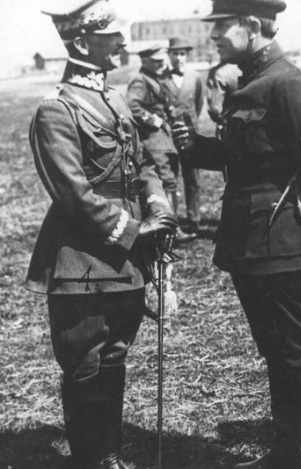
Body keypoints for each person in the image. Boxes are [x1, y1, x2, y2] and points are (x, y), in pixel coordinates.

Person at [171, 0, 301, 467]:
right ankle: (287, 449)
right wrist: (196, 148)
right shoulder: (249, 82)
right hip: (250, 240)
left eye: (222, 26)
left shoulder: (288, 83)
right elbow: (249, 159)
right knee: (274, 348)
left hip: (287, 240)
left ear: (251, 25)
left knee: (296, 349)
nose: (214, 36)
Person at [26, 0, 177, 467]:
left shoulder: (115, 100)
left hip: (126, 257)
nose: (121, 42)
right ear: (80, 42)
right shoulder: (56, 110)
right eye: (111, 35)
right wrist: (135, 230)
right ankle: (93, 461)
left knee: (115, 356)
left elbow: (141, 166)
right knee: (86, 363)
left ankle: (109, 457)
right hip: (82, 261)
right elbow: (73, 193)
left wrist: (158, 206)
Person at [127, 46, 195, 243]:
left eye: (161, 61)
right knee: (165, 182)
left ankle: (171, 227)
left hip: (163, 139)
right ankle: (169, 230)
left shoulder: (155, 78)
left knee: (170, 182)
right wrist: (152, 120)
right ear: (144, 61)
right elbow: (132, 105)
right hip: (153, 140)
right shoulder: (141, 80)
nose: (160, 64)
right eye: (155, 61)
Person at [162, 37, 205, 234]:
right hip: (169, 134)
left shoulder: (195, 76)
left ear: (186, 55)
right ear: (169, 55)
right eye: (175, 54)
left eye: (182, 54)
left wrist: (190, 122)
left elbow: (198, 103)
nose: (179, 58)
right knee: (170, 178)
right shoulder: (161, 77)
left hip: (190, 133)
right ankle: (172, 222)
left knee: (193, 178)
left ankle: (194, 219)